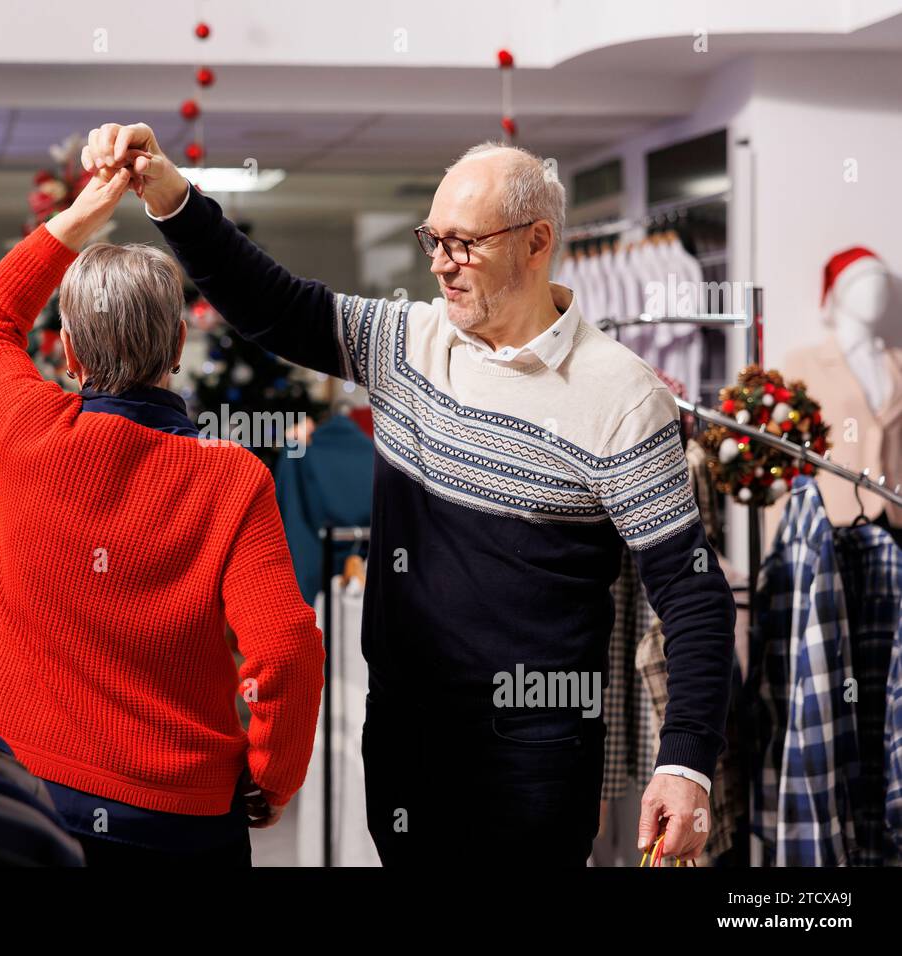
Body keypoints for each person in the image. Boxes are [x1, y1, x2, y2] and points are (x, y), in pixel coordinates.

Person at [82, 124, 736, 866]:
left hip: (533, 756)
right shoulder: (407, 341)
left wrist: (685, 764)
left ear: (536, 240)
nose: (441, 266)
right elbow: (270, 302)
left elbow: (692, 594)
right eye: (434, 240)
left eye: (464, 244)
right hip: (404, 733)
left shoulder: (620, 394)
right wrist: (170, 195)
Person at [0, 166, 324, 867]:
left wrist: (80, 216)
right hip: (179, 823)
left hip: (28, 798)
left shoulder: (27, 431)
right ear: (179, 350)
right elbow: (285, 650)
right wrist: (275, 780)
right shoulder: (232, 478)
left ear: (67, 353)